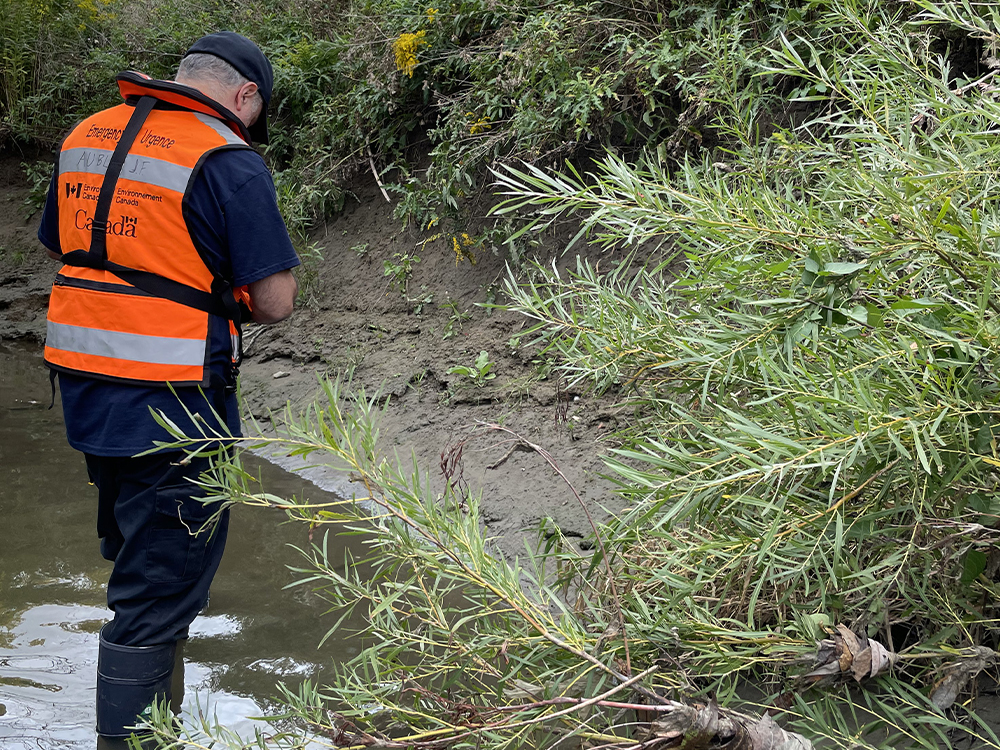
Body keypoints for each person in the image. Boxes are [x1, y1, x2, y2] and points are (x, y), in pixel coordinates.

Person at [36, 31, 300, 743]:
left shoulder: (87, 134)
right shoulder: (227, 159)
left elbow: (70, 243)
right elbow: (275, 301)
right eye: (253, 112)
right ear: (245, 95)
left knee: (142, 569)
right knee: (156, 593)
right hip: (175, 403)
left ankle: (158, 723)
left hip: (88, 389)